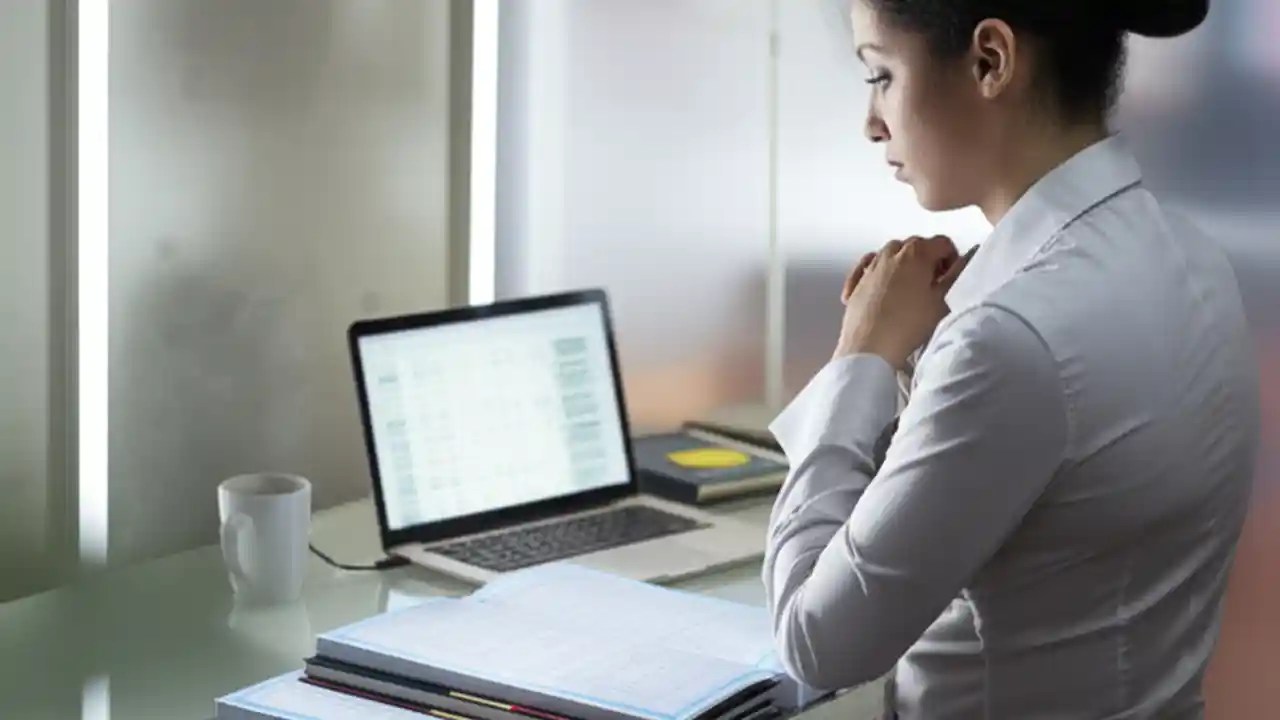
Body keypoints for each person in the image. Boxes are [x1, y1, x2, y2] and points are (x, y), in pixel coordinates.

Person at [762, 0, 1260, 717]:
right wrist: (918, 363)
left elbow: (817, 642)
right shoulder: (1193, 260)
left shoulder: (1010, 334)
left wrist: (859, 358)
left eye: (881, 75)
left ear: (990, 60)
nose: (872, 121)